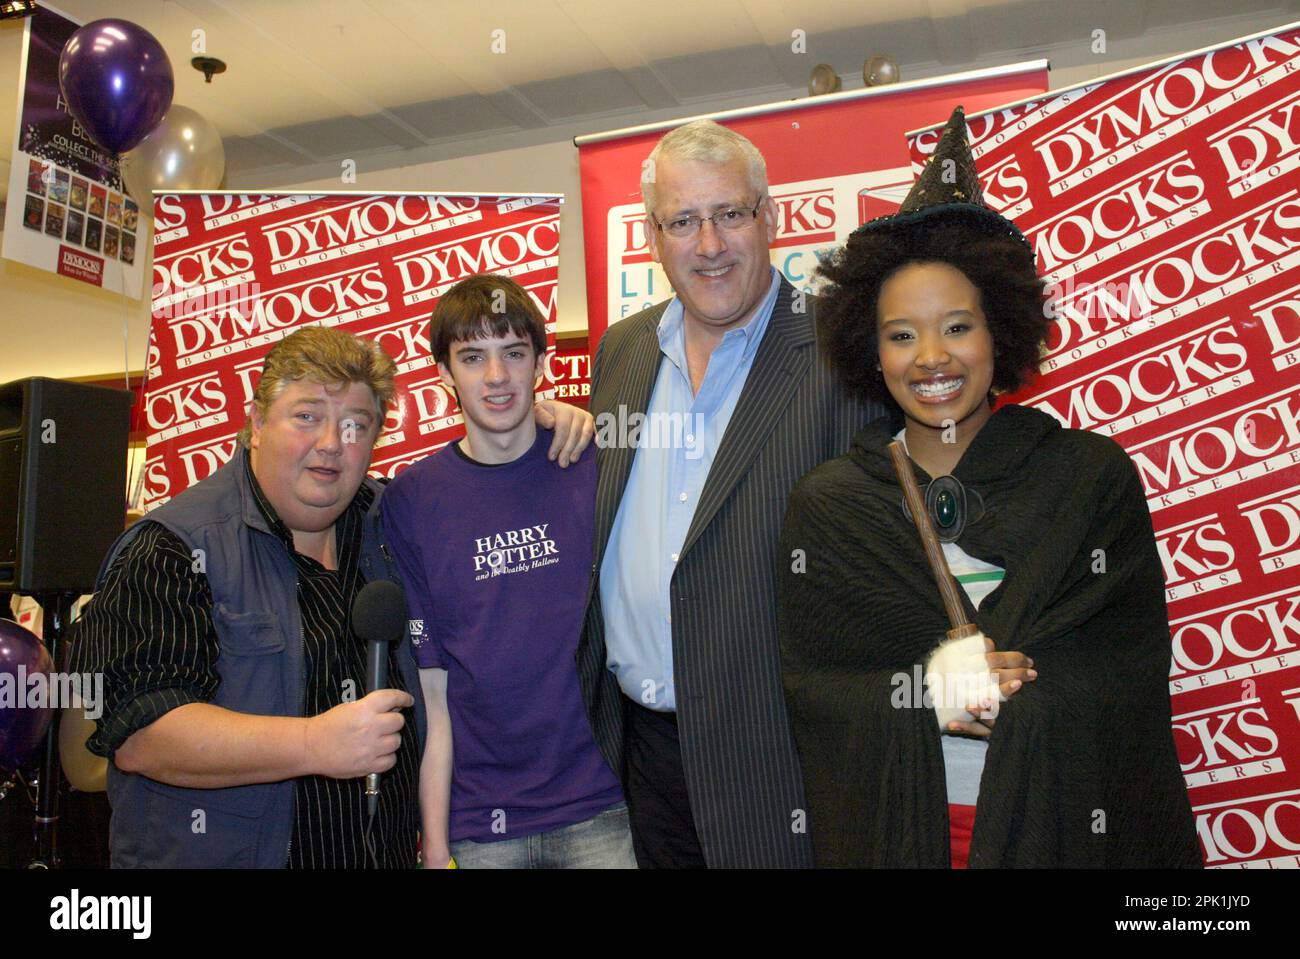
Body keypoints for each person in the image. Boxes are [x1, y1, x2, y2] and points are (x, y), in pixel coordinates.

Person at [776, 107, 1202, 868]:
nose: (930, 356)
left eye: (958, 326)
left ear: (999, 332)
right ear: (870, 352)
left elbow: (1126, 676)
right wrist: (928, 693)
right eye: (901, 333)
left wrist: (1025, 690)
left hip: (1063, 827)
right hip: (904, 831)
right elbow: (817, 689)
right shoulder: (831, 504)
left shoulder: (1088, 479)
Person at [74, 326, 595, 868]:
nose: (330, 443)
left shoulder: (390, 520)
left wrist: (532, 423)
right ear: (256, 424)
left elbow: (480, 498)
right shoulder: (172, 548)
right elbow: (141, 734)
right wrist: (314, 744)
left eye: (355, 426)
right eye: (306, 417)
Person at [580, 119, 881, 868]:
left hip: (777, 755)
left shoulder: (843, 352)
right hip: (637, 753)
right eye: (683, 220)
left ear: (770, 217)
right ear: (654, 236)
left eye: (730, 214)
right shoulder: (621, 350)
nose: (709, 244)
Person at [383, 274, 634, 869]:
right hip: (478, 826)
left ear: (541, 364)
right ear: (444, 374)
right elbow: (433, 694)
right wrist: (436, 843)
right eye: (473, 357)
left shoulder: (593, 465)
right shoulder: (411, 502)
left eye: (513, 354)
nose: (496, 377)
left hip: (603, 806)